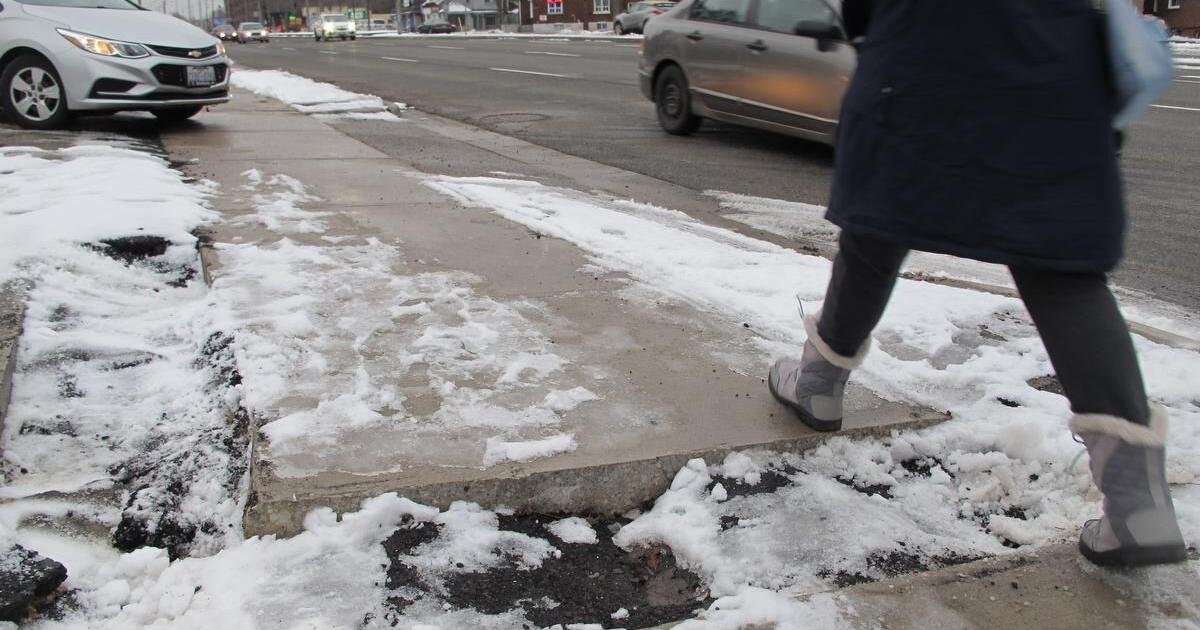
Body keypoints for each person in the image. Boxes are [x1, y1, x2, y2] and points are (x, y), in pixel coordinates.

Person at [768, 0, 1187, 567]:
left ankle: (818, 383)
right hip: (1051, 68)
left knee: (875, 231)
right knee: (1060, 267)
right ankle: (1138, 505)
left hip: (922, 61)